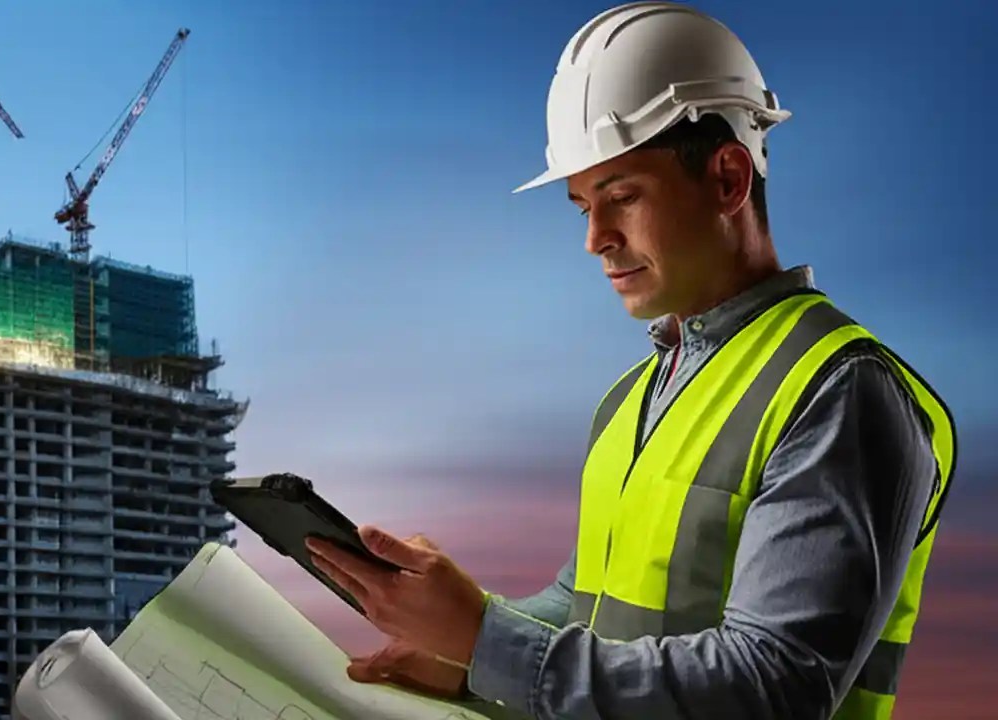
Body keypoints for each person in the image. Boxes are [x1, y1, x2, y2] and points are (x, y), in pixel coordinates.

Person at [304, 2, 957, 718]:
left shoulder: (839, 393)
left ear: (728, 179)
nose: (596, 238)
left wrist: (485, 641)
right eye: (583, 205)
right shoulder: (633, 397)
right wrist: (461, 656)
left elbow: (774, 687)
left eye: (621, 197)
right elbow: (587, 609)